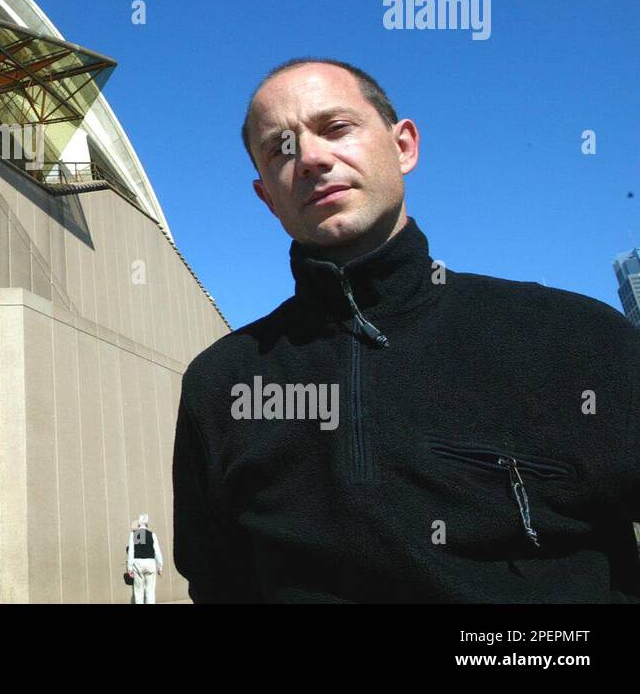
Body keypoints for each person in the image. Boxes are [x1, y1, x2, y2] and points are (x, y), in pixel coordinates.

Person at [172, 57, 640, 602]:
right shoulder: (221, 383)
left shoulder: (574, 338)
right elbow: (218, 584)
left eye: (336, 128)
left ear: (404, 147)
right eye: (281, 148)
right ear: (266, 196)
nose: (311, 158)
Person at [126, 514, 164, 603]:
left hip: (138, 564)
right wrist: (160, 566)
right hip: (150, 563)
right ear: (147, 524)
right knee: (150, 591)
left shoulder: (134, 534)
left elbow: (131, 551)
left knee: (138, 591)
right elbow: (157, 551)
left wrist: (129, 567)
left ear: (139, 524)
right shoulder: (152, 534)